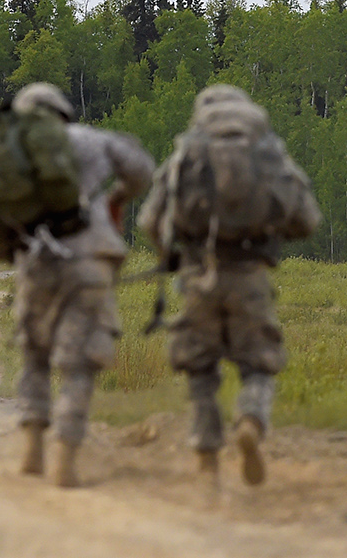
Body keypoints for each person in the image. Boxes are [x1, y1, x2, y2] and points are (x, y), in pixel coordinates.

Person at [137, 84, 321, 486]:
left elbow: (150, 220)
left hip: (197, 277)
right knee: (259, 365)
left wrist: (170, 254)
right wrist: (269, 231)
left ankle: (206, 459)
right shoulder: (269, 154)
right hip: (251, 275)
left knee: (200, 369)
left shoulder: (187, 153)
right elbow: (307, 219)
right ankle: (250, 423)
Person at [9, 82, 154, 488]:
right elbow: (143, 170)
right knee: (79, 361)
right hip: (90, 262)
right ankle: (64, 458)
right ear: (63, 112)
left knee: (34, 352)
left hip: (37, 262)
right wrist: (118, 196)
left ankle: (31, 447)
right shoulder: (92, 139)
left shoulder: (9, 149)